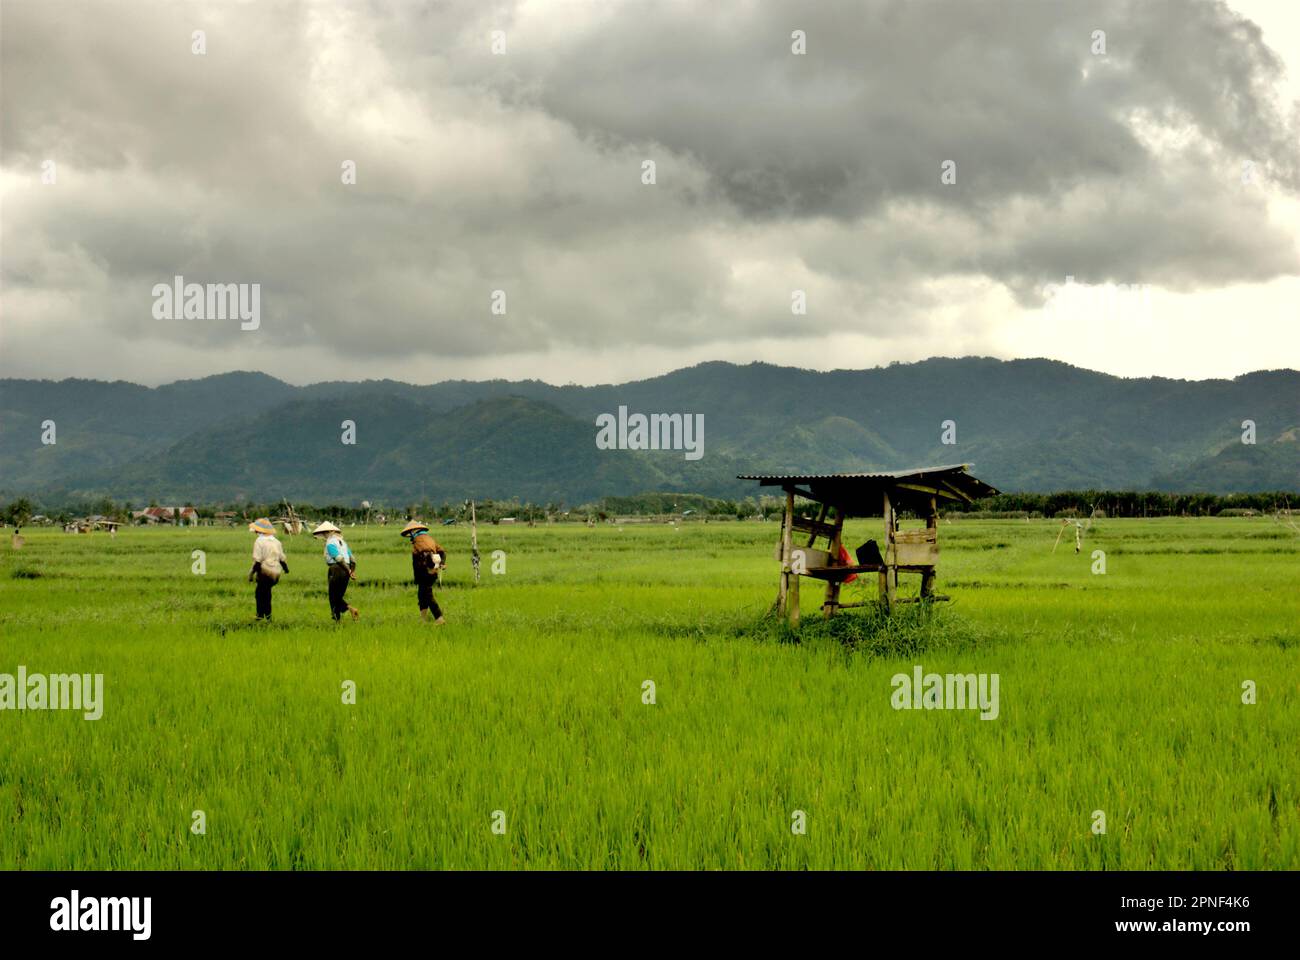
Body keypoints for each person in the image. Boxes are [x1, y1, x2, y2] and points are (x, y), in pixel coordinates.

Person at [401, 520, 446, 624]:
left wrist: (429, 567)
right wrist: (442, 563)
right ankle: (423, 619)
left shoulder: (419, 540)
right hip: (430, 570)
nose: (410, 536)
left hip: (426, 571)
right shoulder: (429, 538)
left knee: (427, 595)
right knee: (422, 594)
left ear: (414, 531)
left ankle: (439, 618)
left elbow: (423, 554)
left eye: (410, 533)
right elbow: (442, 552)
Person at [313, 521, 358, 622]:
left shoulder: (330, 543)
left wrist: (348, 570)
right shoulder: (344, 543)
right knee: (338, 596)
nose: (323, 535)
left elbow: (338, 558)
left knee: (333, 596)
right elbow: (353, 560)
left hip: (336, 569)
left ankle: (350, 610)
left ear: (329, 532)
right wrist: (351, 571)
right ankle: (337, 620)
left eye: (325, 533)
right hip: (346, 571)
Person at [248, 518, 288, 621]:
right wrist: (286, 569)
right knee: (267, 593)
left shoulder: (259, 541)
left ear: (259, 531)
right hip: (276, 572)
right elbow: (282, 559)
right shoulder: (277, 542)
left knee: (260, 594)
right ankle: (268, 617)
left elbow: (257, 561)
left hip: (265, 571)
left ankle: (260, 616)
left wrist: (251, 574)